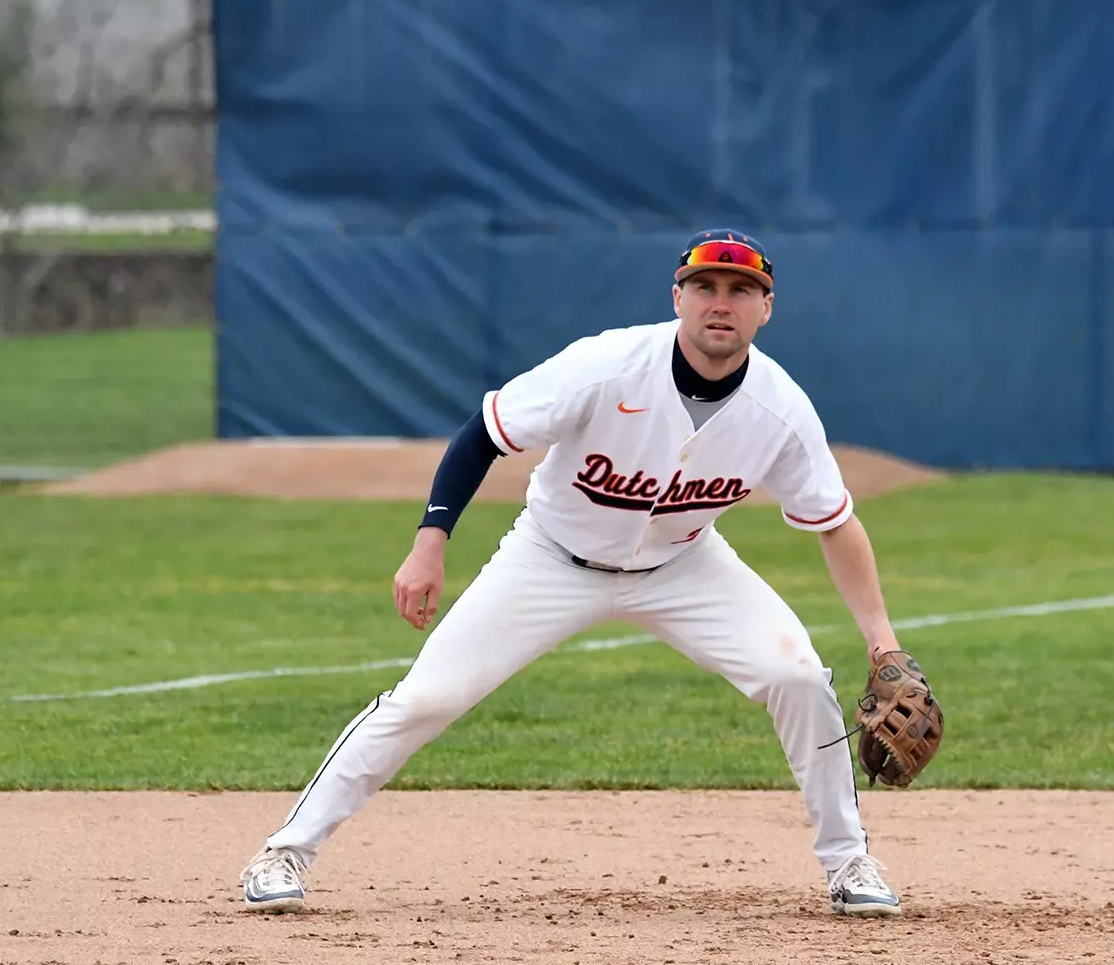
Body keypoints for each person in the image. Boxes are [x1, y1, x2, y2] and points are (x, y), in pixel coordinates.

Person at [241, 229, 918, 918]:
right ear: (677, 298)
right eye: (706, 287)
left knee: (798, 677)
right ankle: (284, 852)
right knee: (427, 698)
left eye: (742, 291)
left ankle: (849, 861)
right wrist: (429, 543)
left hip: (684, 564)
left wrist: (881, 640)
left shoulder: (781, 409)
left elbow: (834, 521)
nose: (722, 303)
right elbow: (484, 433)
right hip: (550, 557)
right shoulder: (606, 366)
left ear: (766, 309)